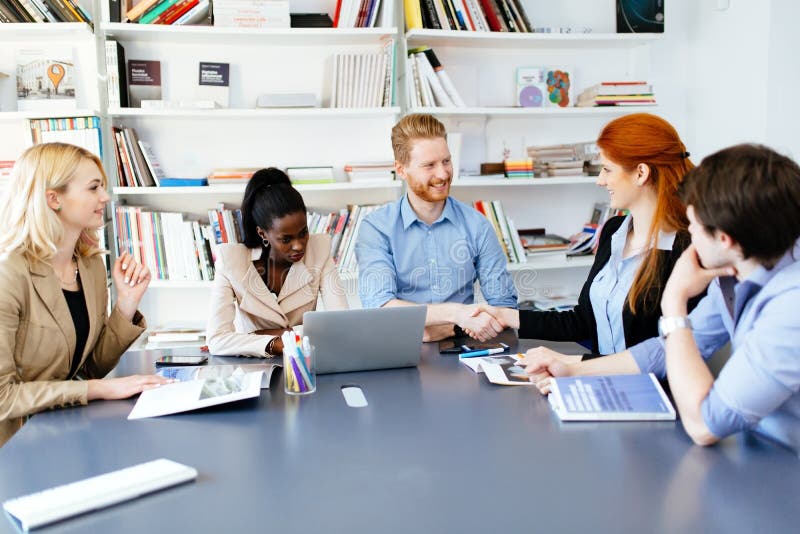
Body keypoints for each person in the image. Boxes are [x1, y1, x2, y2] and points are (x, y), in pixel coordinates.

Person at [525, 144, 800, 451]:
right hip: (754, 454)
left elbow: (704, 425)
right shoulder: (736, 269)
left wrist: (674, 304)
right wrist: (575, 369)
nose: (688, 233)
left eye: (694, 226)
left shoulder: (790, 309)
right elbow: (667, 348)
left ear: (725, 240)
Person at [476, 113, 698, 357]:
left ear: (641, 173)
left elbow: (669, 354)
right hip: (601, 381)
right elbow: (583, 321)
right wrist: (507, 316)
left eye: (607, 169)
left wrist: (575, 366)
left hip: (650, 390)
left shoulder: (687, 249)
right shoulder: (614, 231)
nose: (600, 181)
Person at [0, 143, 169, 447]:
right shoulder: (9, 274)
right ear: (54, 199)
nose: (105, 197)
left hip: (64, 430)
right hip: (15, 443)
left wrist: (127, 304)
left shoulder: (89, 265)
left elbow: (89, 368)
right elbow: (3, 398)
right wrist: (97, 390)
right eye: (93, 188)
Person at [355, 113, 518, 342]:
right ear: (401, 169)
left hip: (464, 347)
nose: (442, 174)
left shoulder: (477, 225)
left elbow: (503, 305)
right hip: (399, 348)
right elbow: (380, 306)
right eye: (429, 165)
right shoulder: (376, 228)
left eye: (446, 161)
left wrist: (450, 328)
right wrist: (456, 313)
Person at [206, 168, 348, 357]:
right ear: (262, 233)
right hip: (255, 369)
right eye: (286, 239)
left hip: (306, 364)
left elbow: (343, 325)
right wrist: (277, 343)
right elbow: (217, 340)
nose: (299, 246)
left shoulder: (319, 249)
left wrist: (261, 336)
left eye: (303, 233)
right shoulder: (231, 260)